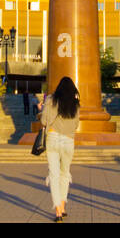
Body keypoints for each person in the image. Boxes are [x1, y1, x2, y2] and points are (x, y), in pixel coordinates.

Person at [40, 76, 80, 222]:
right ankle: (63, 207)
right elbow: (76, 124)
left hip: (53, 138)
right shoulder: (75, 103)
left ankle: (57, 211)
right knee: (65, 174)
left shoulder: (51, 99)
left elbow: (44, 120)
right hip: (69, 140)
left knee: (54, 176)